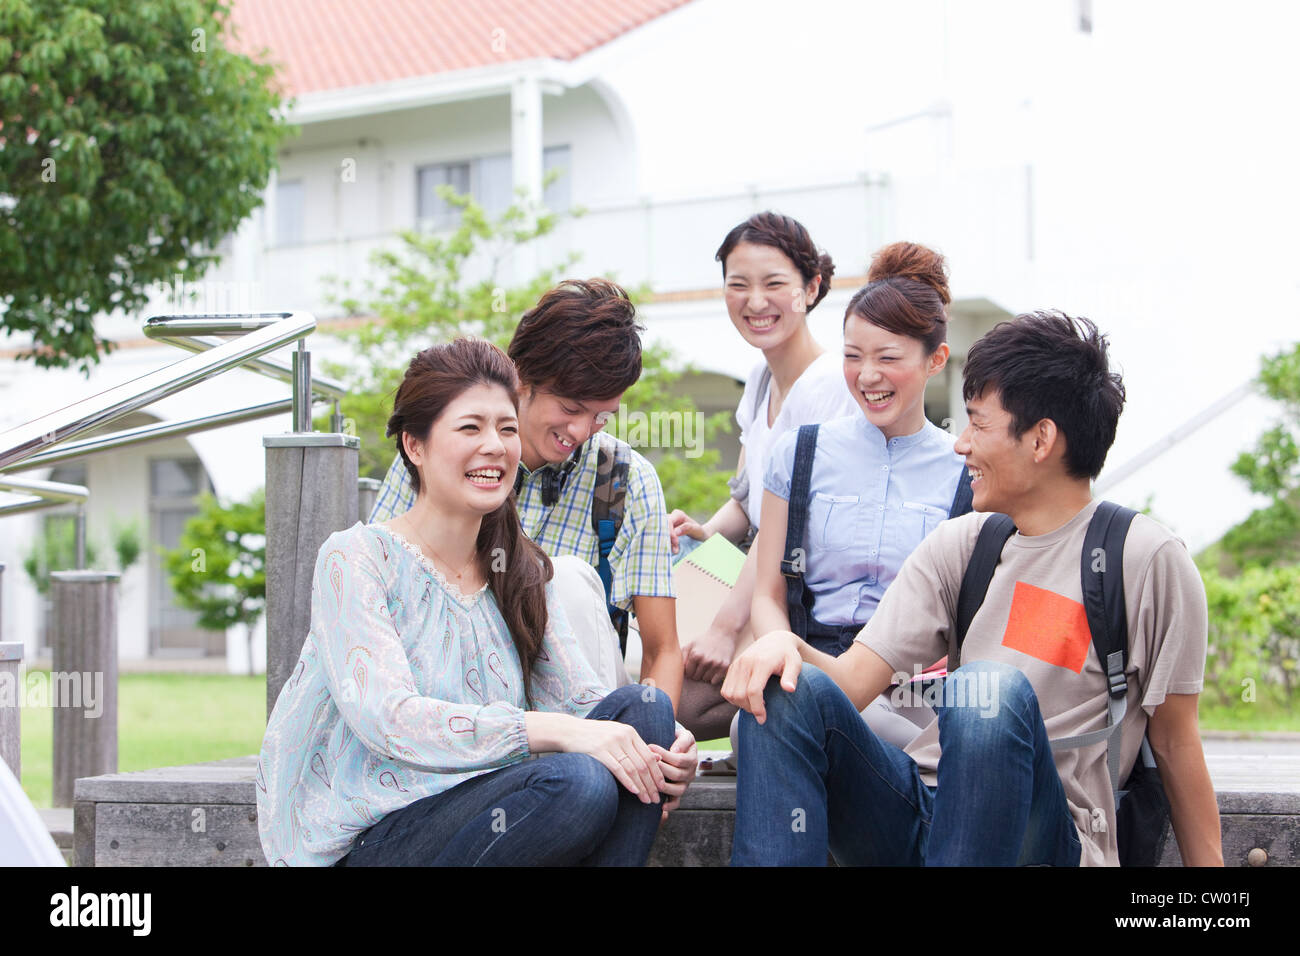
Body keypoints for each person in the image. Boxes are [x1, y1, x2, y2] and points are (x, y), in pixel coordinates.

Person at [723, 312, 1223, 867]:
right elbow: (849, 684)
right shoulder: (961, 545)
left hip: (1048, 836)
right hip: (927, 818)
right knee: (785, 691)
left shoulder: (1145, 558)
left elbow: (1176, 743)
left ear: (1040, 439)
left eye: (978, 425)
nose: (960, 445)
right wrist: (784, 649)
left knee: (987, 691)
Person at [258, 339, 689, 866]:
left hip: (485, 813)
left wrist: (664, 745)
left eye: (506, 429)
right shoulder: (357, 557)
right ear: (415, 446)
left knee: (645, 712)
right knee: (576, 781)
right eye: (470, 428)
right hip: (376, 838)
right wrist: (553, 732)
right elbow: (389, 720)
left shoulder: (521, 570)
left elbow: (580, 703)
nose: (495, 446)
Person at [687, 242, 970, 742]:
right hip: (801, 660)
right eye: (853, 357)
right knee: (757, 716)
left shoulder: (964, 471)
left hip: (911, 693)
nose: (867, 376)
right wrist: (780, 647)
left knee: (786, 724)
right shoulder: (800, 452)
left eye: (888, 358)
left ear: (935, 360)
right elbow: (769, 590)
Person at [369, 280, 686, 723]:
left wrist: (658, 738)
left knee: (567, 580)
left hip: (582, 719)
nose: (581, 431)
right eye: (571, 409)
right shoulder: (442, 455)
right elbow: (378, 591)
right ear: (521, 379)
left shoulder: (625, 479)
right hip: (460, 707)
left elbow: (663, 649)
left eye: (601, 416)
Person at [668, 212, 859, 738]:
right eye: (738, 285)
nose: (755, 302)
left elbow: (782, 527)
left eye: (774, 284)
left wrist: (726, 630)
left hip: (800, 591)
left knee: (678, 695)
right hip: (752, 573)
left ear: (812, 288)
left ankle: (801, 719)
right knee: (659, 666)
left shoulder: (829, 386)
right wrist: (702, 533)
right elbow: (747, 501)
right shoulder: (757, 380)